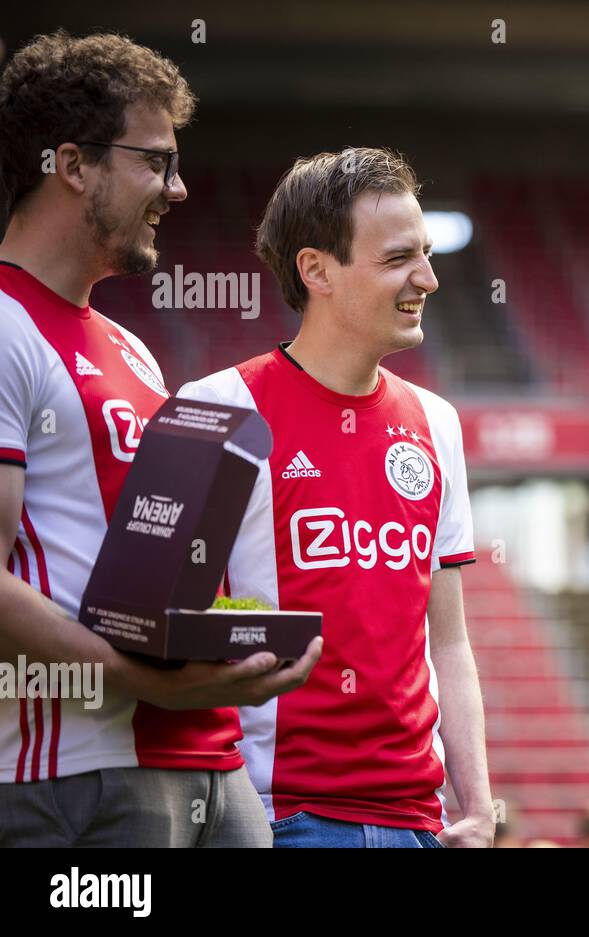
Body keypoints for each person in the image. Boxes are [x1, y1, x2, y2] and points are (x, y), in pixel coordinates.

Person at [0, 31, 319, 847]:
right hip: (79, 768)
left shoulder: (132, 349)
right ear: (72, 165)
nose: (177, 190)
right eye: (157, 161)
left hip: (211, 762)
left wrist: (229, 636)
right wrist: (146, 683)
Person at [178, 148, 493, 847]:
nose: (429, 279)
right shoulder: (218, 409)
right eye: (398, 259)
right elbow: (163, 620)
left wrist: (477, 803)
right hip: (278, 813)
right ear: (316, 270)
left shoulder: (437, 423)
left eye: (429, 254)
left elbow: (449, 639)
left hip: (420, 824)